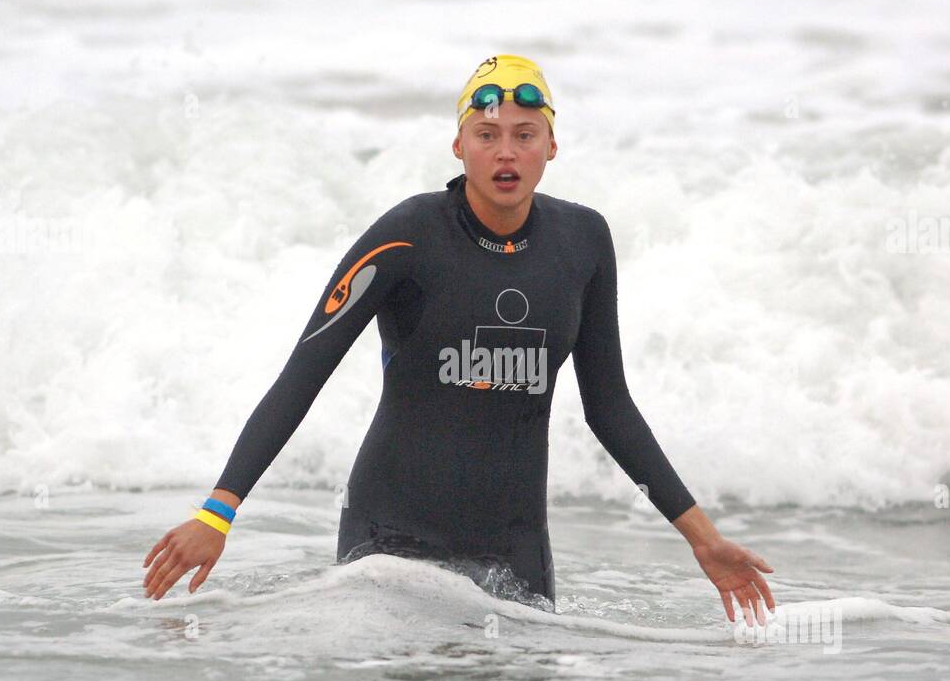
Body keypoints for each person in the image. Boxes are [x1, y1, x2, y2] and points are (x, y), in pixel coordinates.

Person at [143, 54, 776, 623]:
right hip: (389, 541)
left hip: (515, 551)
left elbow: (609, 407)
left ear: (551, 146)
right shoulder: (407, 236)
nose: (507, 153)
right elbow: (305, 373)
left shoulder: (583, 242)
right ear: (459, 145)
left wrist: (702, 536)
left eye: (525, 136)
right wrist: (216, 514)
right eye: (488, 135)